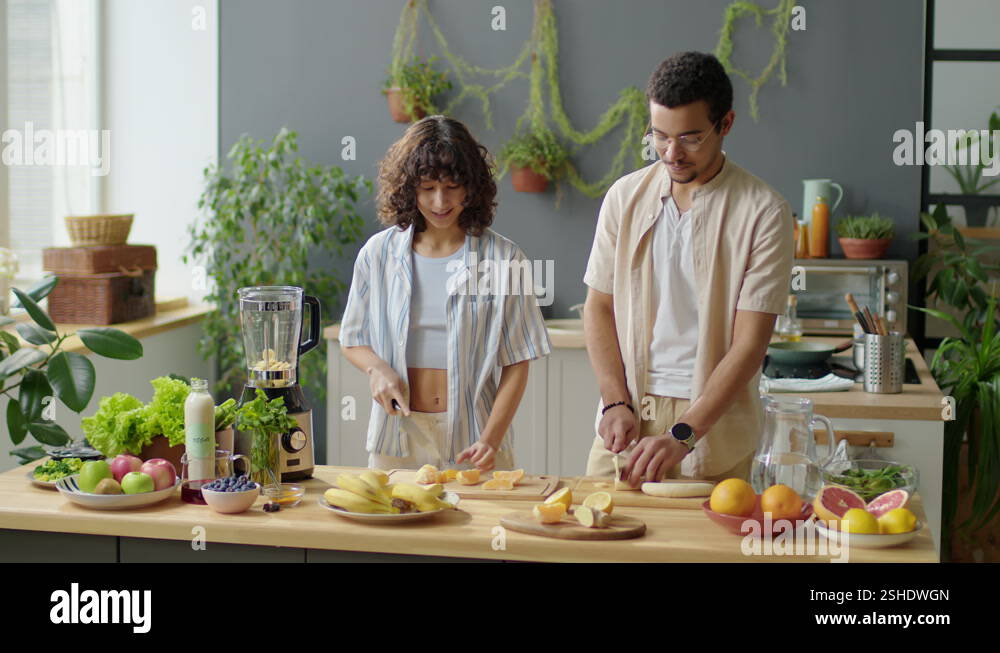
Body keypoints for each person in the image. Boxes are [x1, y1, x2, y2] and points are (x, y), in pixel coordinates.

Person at [583, 51, 794, 486]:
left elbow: (750, 345)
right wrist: (614, 401)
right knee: (596, 544)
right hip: (625, 415)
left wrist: (683, 434)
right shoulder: (624, 197)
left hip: (712, 426)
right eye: (660, 136)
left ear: (726, 124)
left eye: (691, 138)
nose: (672, 153)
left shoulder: (764, 212)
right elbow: (598, 307)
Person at [340, 115, 551, 472]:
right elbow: (352, 339)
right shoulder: (378, 254)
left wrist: (491, 438)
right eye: (427, 187)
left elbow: (518, 361)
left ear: (471, 186)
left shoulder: (504, 259)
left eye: (452, 186)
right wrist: (376, 369)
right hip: (397, 436)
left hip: (476, 439)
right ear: (409, 188)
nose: (440, 201)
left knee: (477, 529)